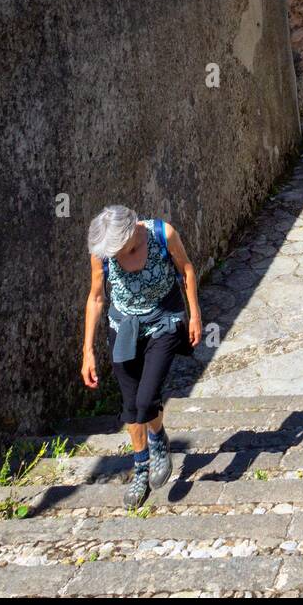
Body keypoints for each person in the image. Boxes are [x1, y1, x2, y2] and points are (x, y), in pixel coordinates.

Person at [81, 206, 203, 510]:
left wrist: (195, 315)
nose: (117, 257)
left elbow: (186, 268)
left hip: (164, 320)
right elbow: (96, 297)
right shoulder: (103, 252)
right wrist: (87, 350)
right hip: (123, 325)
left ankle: (158, 437)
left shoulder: (162, 234)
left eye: (122, 250)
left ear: (133, 230)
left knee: (147, 400)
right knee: (131, 404)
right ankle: (141, 468)